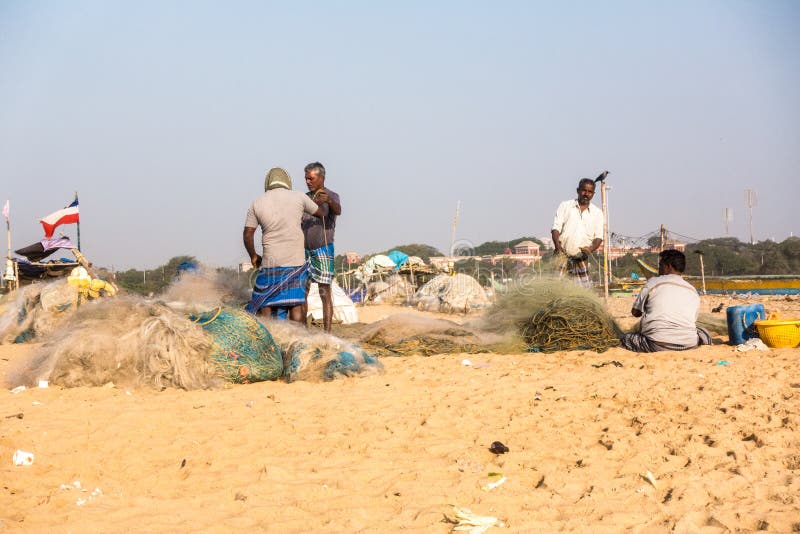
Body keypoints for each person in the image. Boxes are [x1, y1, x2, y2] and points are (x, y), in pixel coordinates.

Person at [243, 167, 323, 325]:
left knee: (265, 304)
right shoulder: (299, 197)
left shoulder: (257, 202)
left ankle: (269, 339)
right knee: (296, 306)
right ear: (287, 182)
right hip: (295, 262)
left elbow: (248, 233)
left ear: (268, 183)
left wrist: (253, 256)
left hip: (270, 263)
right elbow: (320, 213)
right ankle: (296, 341)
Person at [621, 249, 713, 352]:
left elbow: (635, 312)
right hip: (689, 344)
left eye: (660, 266)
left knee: (626, 339)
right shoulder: (692, 290)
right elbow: (693, 321)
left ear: (667, 266)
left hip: (657, 344)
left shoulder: (654, 282)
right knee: (702, 332)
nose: (659, 269)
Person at [301, 162, 341, 333]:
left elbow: (338, 210)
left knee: (324, 292)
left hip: (323, 248)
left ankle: (327, 334)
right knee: (302, 292)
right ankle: (302, 331)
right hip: (303, 250)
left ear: (321, 178)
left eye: (311, 178)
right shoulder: (303, 197)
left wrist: (329, 201)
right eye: (306, 178)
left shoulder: (331, 195)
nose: (308, 181)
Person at [551, 178, 604, 287]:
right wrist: (557, 246)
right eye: (584, 190)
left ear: (593, 194)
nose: (586, 194)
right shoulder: (565, 206)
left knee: (583, 294)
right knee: (556, 291)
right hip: (562, 257)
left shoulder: (597, 213)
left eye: (590, 192)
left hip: (581, 259)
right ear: (578, 190)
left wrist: (590, 249)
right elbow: (555, 228)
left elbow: (598, 238)